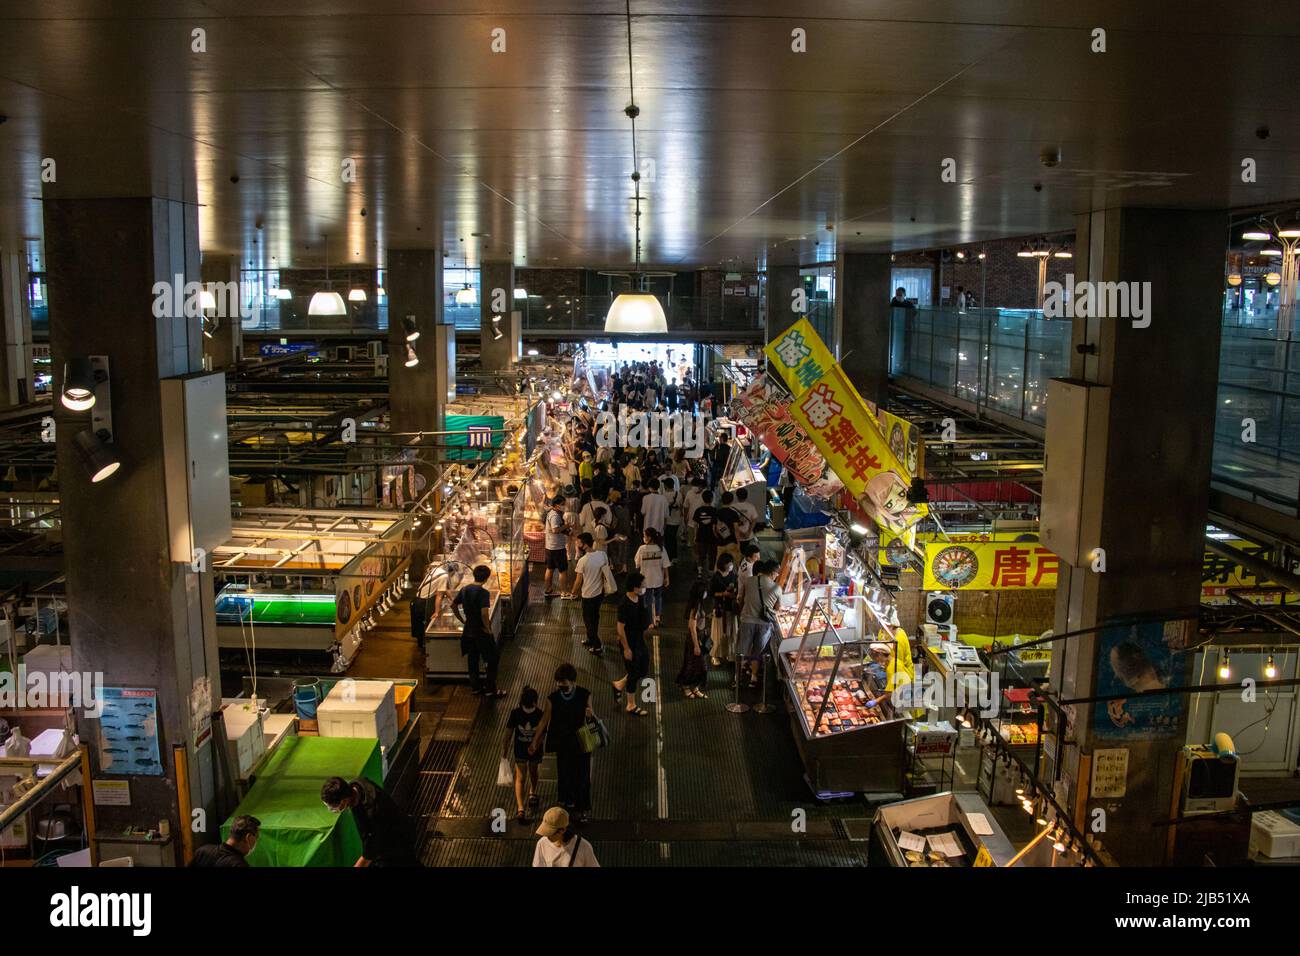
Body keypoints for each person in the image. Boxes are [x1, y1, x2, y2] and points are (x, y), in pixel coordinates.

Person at [530, 664, 595, 822]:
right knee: (564, 774)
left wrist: (589, 715)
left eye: (563, 681)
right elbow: (545, 720)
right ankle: (568, 802)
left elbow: (592, 718)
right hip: (563, 743)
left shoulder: (584, 694)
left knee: (582, 775)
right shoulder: (553, 698)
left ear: (572, 681)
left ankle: (581, 809)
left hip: (581, 742)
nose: (560, 685)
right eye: (558, 681)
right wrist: (535, 741)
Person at [321, 776, 419, 867]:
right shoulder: (357, 786)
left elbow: (369, 853)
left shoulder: (374, 812)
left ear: (343, 802)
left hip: (397, 842)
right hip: (389, 836)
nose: (331, 809)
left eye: (332, 807)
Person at [453, 564, 504, 698]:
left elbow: (454, 605)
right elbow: (484, 614)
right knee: (492, 660)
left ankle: (475, 688)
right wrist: (488, 629)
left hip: (468, 630)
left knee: (473, 660)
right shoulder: (483, 593)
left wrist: (461, 619)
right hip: (481, 632)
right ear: (486, 578)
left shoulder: (464, 590)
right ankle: (490, 690)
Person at [737, 559, 781, 687]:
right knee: (757, 652)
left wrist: (742, 613)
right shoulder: (777, 587)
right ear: (772, 573)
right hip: (764, 624)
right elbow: (777, 609)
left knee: (742, 651)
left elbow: (742, 599)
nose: (777, 575)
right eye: (777, 573)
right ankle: (753, 678)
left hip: (747, 620)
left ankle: (737, 678)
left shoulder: (748, 581)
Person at [613, 570, 652, 716]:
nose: (645, 587)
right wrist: (626, 648)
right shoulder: (624, 604)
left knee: (643, 669)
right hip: (629, 643)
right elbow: (620, 628)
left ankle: (619, 684)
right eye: (642, 585)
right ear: (634, 587)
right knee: (634, 673)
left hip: (639, 640)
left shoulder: (639, 598)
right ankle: (631, 705)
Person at [504, 685, 544, 823]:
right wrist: (535, 746)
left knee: (520, 778)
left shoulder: (515, 713)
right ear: (534, 702)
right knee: (533, 772)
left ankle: (520, 808)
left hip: (520, 749)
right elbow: (542, 735)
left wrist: (504, 750)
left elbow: (508, 733)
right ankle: (532, 792)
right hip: (535, 751)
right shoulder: (540, 714)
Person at [568, 532, 609, 655]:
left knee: (588, 621)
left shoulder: (583, 561)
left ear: (585, 545)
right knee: (595, 617)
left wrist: (573, 593)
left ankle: (597, 646)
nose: (577, 544)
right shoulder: (602, 555)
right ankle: (590, 639)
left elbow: (578, 581)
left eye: (579, 543)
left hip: (588, 595)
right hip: (600, 593)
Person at [532, 807, 600, 867]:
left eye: (550, 833)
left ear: (562, 830)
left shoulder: (584, 847)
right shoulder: (542, 843)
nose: (546, 836)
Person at [676, 579, 709, 699]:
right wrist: (696, 645)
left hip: (701, 636)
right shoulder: (695, 607)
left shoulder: (698, 605)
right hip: (695, 639)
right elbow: (692, 627)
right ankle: (685, 686)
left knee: (700, 665)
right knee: (692, 664)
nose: (707, 593)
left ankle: (695, 687)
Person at [190, 815, 259, 867]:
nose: (256, 842)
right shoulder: (239, 865)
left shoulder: (202, 851)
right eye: (256, 838)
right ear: (248, 837)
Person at [708, 553, 739, 668]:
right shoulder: (715, 577)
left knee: (732, 632)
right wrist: (723, 594)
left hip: (731, 608)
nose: (731, 566)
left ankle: (729, 654)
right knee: (719, 633)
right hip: (720, 608)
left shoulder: (732, 575)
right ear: (723, 564)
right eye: (729, 564)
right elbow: (711, 594)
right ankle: (715, 655)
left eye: (731, 563)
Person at [634, 527, 669, 626]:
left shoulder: (642, 549)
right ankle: (657, 618)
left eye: (644, 536)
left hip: (646, 580)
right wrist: (667, 578)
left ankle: (650, 621)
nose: (643, 538)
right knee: (658, 598)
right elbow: (665, 565)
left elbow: (637, 564)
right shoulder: (661, 548)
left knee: (648, 600)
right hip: (658, 579)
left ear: (649, 538)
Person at [543, 495, 569, 598]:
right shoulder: (555, 516)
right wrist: (566, 526)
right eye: (562, 504)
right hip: (557, 547)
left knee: (550, 568)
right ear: (556, 505)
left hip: (550, 546)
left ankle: (548, 590)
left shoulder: (552, 513)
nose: (564, 506)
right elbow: (555, 530)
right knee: (563, 570)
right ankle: (564, 592)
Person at [408, 551, 434, 649]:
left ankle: (421, 642)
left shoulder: (427, 573)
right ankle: (421, 643)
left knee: (418, 623)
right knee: (419, 622)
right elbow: (440, 594)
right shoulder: (428, 574)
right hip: (419, 602)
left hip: (417, 601)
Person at [692, 489, 718, 572]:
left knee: (701, 555)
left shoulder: (698, 510)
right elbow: (714, 526)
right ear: (712, 499)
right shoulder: (714, 510)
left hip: (701, 535)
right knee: (712, 556)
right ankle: (710, 572)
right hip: (712, 537)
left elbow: (695, 525)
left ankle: (699, 572)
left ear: (703, 498)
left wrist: (695, 536)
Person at [663, 474, 682, 564]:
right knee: (673, 538)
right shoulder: (679, 494)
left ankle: (669, 557)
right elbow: (681, 507)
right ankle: (674, 556)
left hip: (667, 521)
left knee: (668, 540)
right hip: (677, 520)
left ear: (665, 486)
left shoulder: (663, 496)